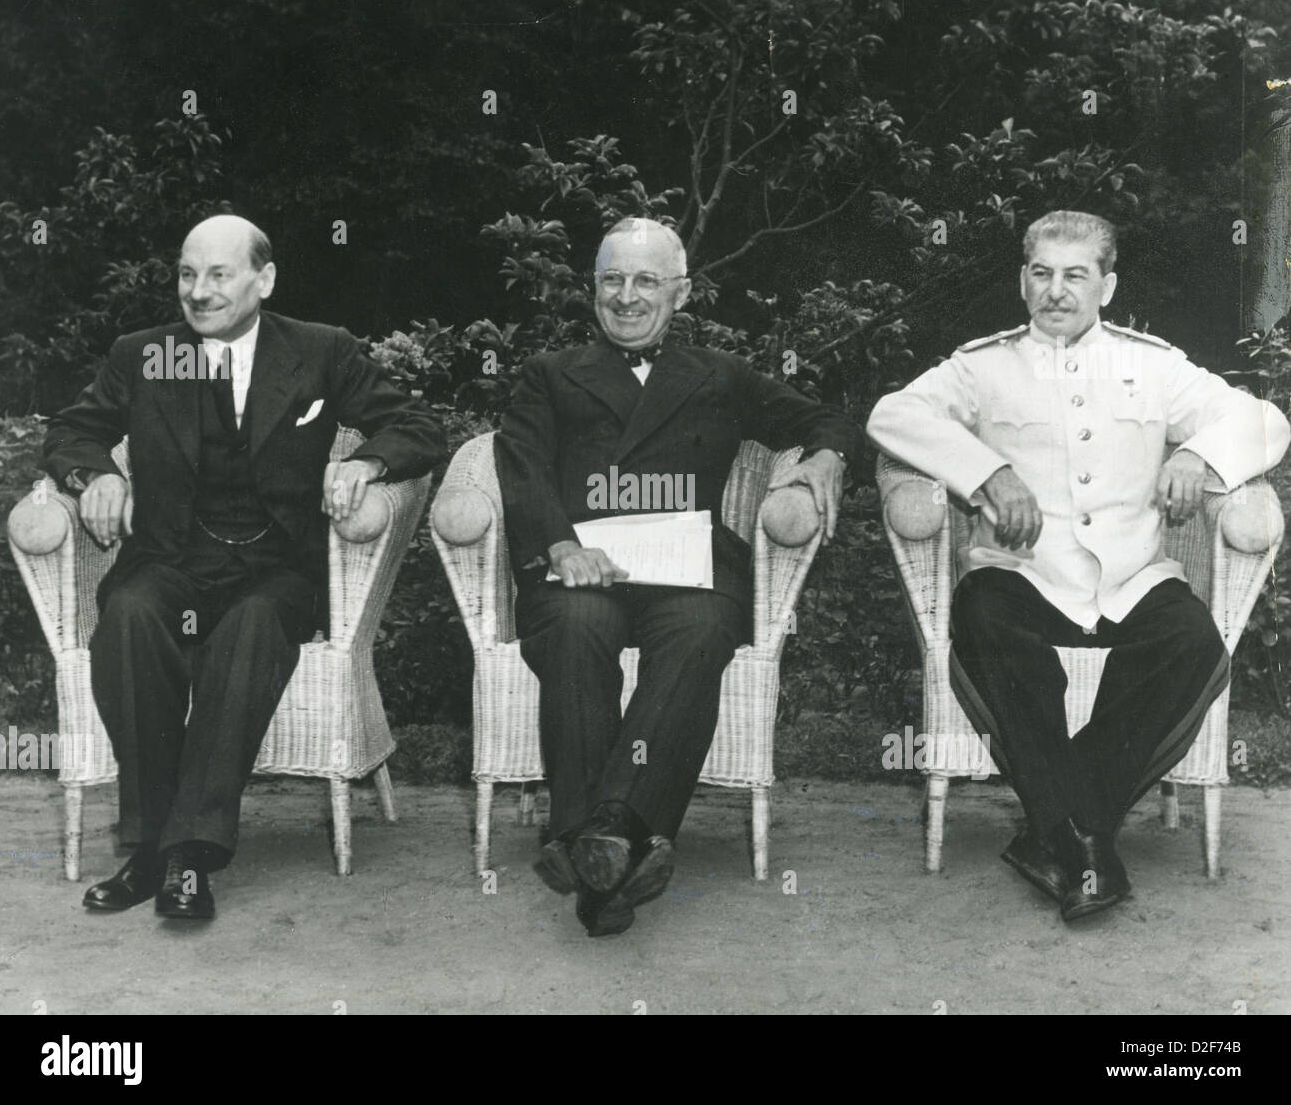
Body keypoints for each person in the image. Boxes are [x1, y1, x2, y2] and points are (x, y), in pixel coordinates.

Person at [866, 210, 1289, 921]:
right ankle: (1085, 839)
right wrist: (987, 472)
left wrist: (1196, 455)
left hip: (1130, 579)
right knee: (983, 618)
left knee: (1192, 643)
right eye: (1041, 273)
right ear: (1021, 281)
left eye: (1075, 275)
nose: (1056, 291)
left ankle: (1059, 831)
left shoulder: (1153, 365)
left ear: (1107, 285)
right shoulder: (982, 366)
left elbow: (1265, 420)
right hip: (1023, 574)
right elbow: (893, 416)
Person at [43, 214, 446, 919]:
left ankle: (189, 856)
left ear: (263, 280)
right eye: (186, 273)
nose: (198, 292)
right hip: (170, 557)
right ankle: (149, 850)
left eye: (218, 274)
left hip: (275, 566)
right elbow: (73, 431)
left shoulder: (321, 351)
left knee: (254, 624)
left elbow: (418, 425)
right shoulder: (144, 354)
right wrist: (92, 478)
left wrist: (366, 461)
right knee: (129, 617)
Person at [495, 217, 853, 936]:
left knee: (700, 634)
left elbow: (827, 418)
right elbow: (522, 466)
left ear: (681, 292)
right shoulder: (548, 373)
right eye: (612, 280)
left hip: (687, 572)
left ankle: (598, 834)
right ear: (592, 288)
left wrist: (823, 460)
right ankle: (621, 849)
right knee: (573, 626)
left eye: (647, 281)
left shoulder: (719, 374)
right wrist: (561, 548)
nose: (627, 297)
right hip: (582, 568)